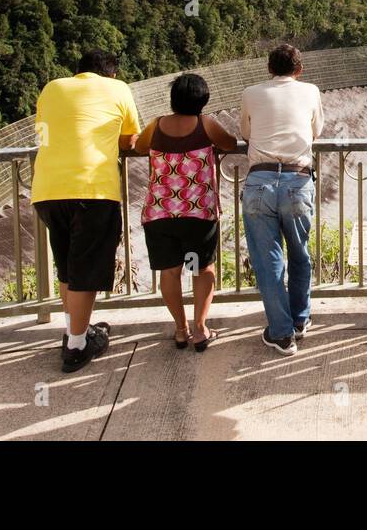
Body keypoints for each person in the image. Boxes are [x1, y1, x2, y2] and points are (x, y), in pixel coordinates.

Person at [32, 49, 141, 373]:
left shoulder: (52, 88)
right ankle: (78, 346)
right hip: (92, 190)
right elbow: (129, 140)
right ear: (111, 74)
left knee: (67, 267)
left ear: (78, 71)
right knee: (87, 269)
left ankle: (74, 331)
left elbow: (45, 131)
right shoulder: (118, 88)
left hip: (48, 191)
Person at [133, 73, 237, 352]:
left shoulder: (156, 125)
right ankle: (200, 330)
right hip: (197, 215)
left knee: (170, 272)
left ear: (173, 98)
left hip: (160, 214)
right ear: (203, 99)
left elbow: (140, 146)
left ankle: (180, 330)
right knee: (199, 269)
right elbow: (230, 143)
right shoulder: (205, 124)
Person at [240, 43, 324, 355]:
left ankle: (281, 332)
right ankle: (300, 320)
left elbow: (245, 131)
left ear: (269, 69)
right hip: (298, 180)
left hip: (259, 182)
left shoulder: (251, 92)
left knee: (268, 261)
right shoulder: (311, 91)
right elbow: (317, 130)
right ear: (299, 70)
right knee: (299, 253)